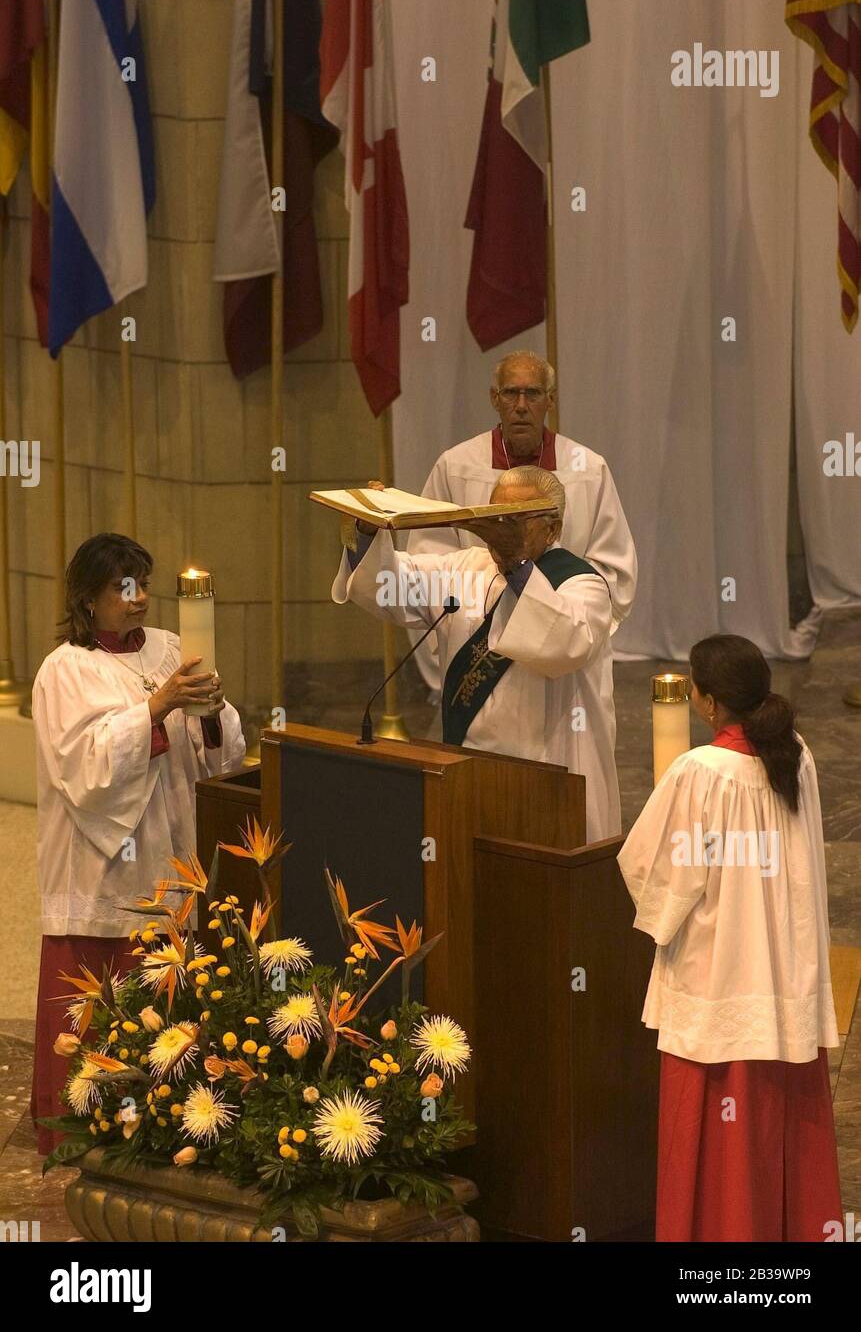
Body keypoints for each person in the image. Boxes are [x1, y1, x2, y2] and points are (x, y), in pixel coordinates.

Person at [617, 634, 841, 1242]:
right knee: (779, 1145)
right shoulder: (797, 753)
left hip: (719, 982)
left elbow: (655, 872)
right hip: (784, 977)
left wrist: (658, 914)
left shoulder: (698, 772)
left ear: (708, 702)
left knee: (717, 1154)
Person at [30, 533, 246, 1152]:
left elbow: (216, 756)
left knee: (166, 994)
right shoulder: (65, 669)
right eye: (123, 589)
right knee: (98, 1008)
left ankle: (166, 1129)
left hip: (169, 843)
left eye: (144, 585)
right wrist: (155, 709)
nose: (140, 600)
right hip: (100, 860)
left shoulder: (170, 648)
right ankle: (85, 1131)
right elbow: (82, 767)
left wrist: (212, 710)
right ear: (87, 599)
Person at [333, 467, 620, 842]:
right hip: (468, 768)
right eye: (494, 516)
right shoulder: (466, 567)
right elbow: (390, 586)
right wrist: (369, 529)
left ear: (552, 529)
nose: (499, 528)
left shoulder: (581, 584)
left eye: (516, 520)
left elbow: (564, 646)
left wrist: (518, 565)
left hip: (549, 775)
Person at [407, 350, 637, 695]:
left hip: (560, 646)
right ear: (494, 399)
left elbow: (612, 568)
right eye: (510, 393)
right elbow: (431, 560)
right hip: (480, 645)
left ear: (551, 400)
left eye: (532, 393)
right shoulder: (455, 466)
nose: (520, 405)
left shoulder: (588, 469)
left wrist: (565, 619)